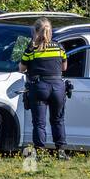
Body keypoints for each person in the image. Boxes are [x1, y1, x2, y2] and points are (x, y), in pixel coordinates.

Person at [18, 18, 70, 159]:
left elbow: (21, 68)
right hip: (58, 87)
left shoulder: (31, 49)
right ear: (50, 31)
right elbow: (64, 67)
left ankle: (39, 151)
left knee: (39, 123)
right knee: (58, 120)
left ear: (35, 31)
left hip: (40, 87)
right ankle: (61, 151)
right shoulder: (59, 47)